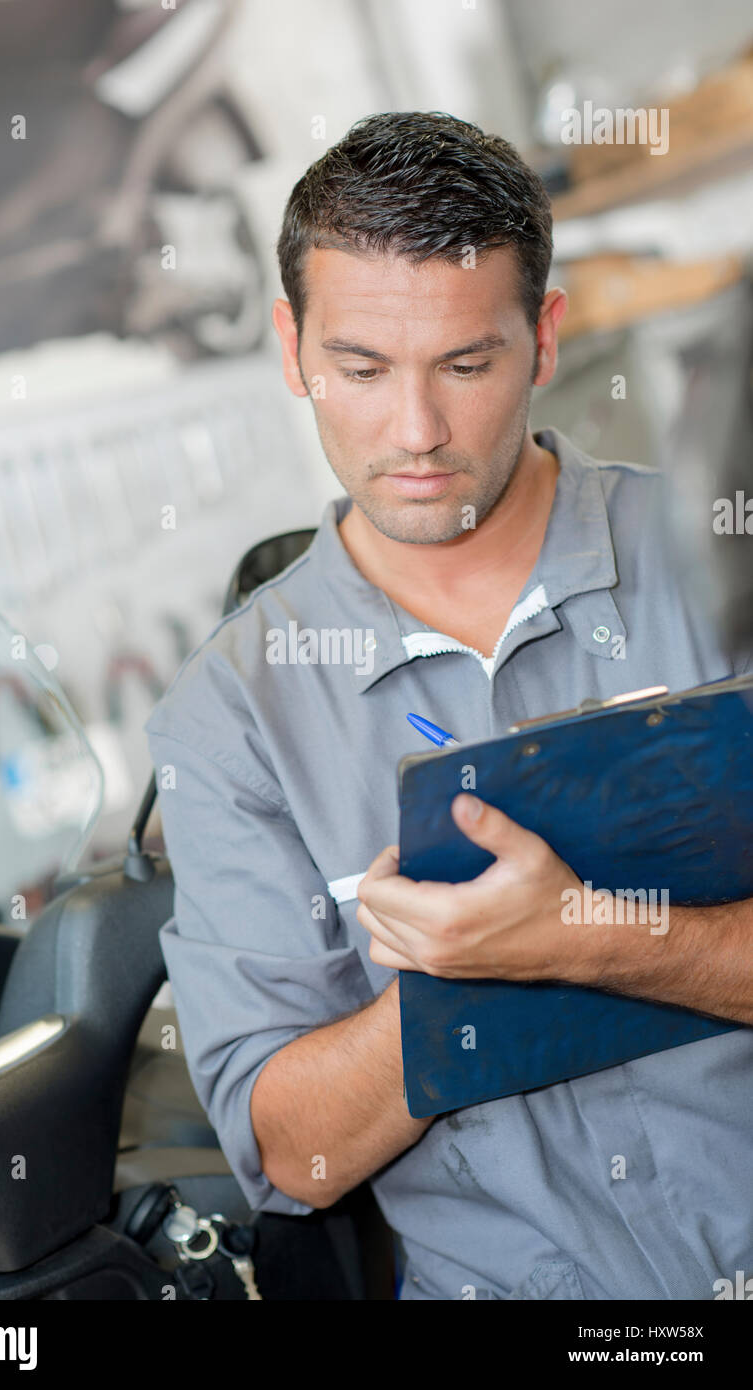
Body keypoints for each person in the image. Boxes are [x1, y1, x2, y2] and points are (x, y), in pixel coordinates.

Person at [144, 111, 753, 1301]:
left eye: (466, 365)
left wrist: (591, 933)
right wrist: (458, 975)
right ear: (293, 348)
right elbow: (287, 1154)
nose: (415, 432)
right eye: (363, 369)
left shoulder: (720, 556)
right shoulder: (233, 716)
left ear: (546, 336)